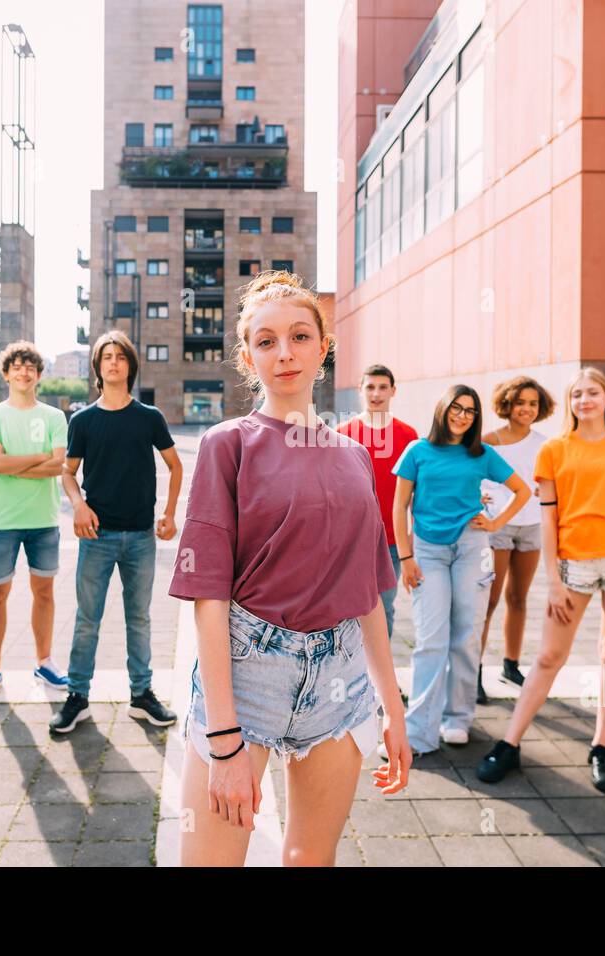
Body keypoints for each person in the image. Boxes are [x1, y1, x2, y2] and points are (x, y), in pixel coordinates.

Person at [170, 270, 410, 866]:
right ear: (248, 356)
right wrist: (223, 738)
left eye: (300, 336)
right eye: (267, 340)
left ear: (323, 348)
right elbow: (209, 596)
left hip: (339, 680)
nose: (285, 353)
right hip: (247, 675)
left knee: (309, 858)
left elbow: (368, 595)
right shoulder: (228, 444)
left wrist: (392, 710)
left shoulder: (356, 456)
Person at [476, 367, 605, 792]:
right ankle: (509, 743)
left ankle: (603, 746)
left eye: (592, 393)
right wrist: (554, 581)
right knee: (548, 657)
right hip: (573, 565)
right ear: (571, 403)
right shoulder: (555, 450)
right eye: (577, 394)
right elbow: (549, 517)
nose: (584, 400)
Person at [50, 330, 182, 733]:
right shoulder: (84, 420)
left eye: (120, 356)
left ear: (129, 365)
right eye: (106, 356)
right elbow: (67, 474)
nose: (113, 362)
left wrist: (170, 513)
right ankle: (77, 696)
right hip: (97, 536)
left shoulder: (149, 418)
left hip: (141, 536)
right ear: (98, 367)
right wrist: (78, 504)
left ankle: (142, 696)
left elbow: (176, 466)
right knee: (87, 618)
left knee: (138, 618)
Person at [392, 384, 532, 756]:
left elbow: (522, 490)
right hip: (428, 552)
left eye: (470, 411)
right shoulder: (417, 451)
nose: (462, 415)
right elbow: (399, 506)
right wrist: (406, 558)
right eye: (457, 408)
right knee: (431, 640)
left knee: (466, 636)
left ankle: (457, 719)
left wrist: (497, 523)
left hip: (471, 547)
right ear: (443, 409)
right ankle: (419, 733)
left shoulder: (481, 454)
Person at [0, 341, 70, 702]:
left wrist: (15, 461)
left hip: (43, 519)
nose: (24, 372)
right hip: (0, 520)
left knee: (44, 592)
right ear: (6, 373)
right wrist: (39, 459)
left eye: (31, 367)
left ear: (39, 375)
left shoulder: (54, 417)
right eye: (17, 366)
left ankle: (44, 661)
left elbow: (58, 466)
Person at [477, 375, 555, 703]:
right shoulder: (488, 441)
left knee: (518, 599)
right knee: (488, 602)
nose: (526, 409)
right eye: (520, 402)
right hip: (497, 527)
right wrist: (480, 498)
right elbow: (471, 477)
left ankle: (511, 665)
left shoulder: (545, 444)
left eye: (532, 404)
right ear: (507, 403)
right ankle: (473, 671)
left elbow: (553, 483)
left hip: (531, 526)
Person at [335, 365, 418, 640]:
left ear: (393, 391)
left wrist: (412, 539)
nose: (376, 393)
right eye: (370, 387)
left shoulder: (408, 435)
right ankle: (353, 675)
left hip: (392, 541)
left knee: (384, 608)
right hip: (351, 539)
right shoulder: (342, 433)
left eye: (383, 387)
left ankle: (382, 679)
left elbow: (417, 492)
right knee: (347, 609)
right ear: (360, 390)